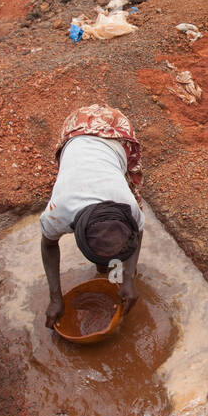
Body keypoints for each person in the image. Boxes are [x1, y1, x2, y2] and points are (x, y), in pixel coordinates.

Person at [39, 104, 145, 327]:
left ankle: (103, 264)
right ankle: (102, 265)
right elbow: (48, 246)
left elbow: (139, 231)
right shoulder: (59, 212)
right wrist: (55, 298)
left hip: (115, 131)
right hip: (77, 128)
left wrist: (128, 279)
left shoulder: (128, 205)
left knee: (132, 180)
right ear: (74, 230)